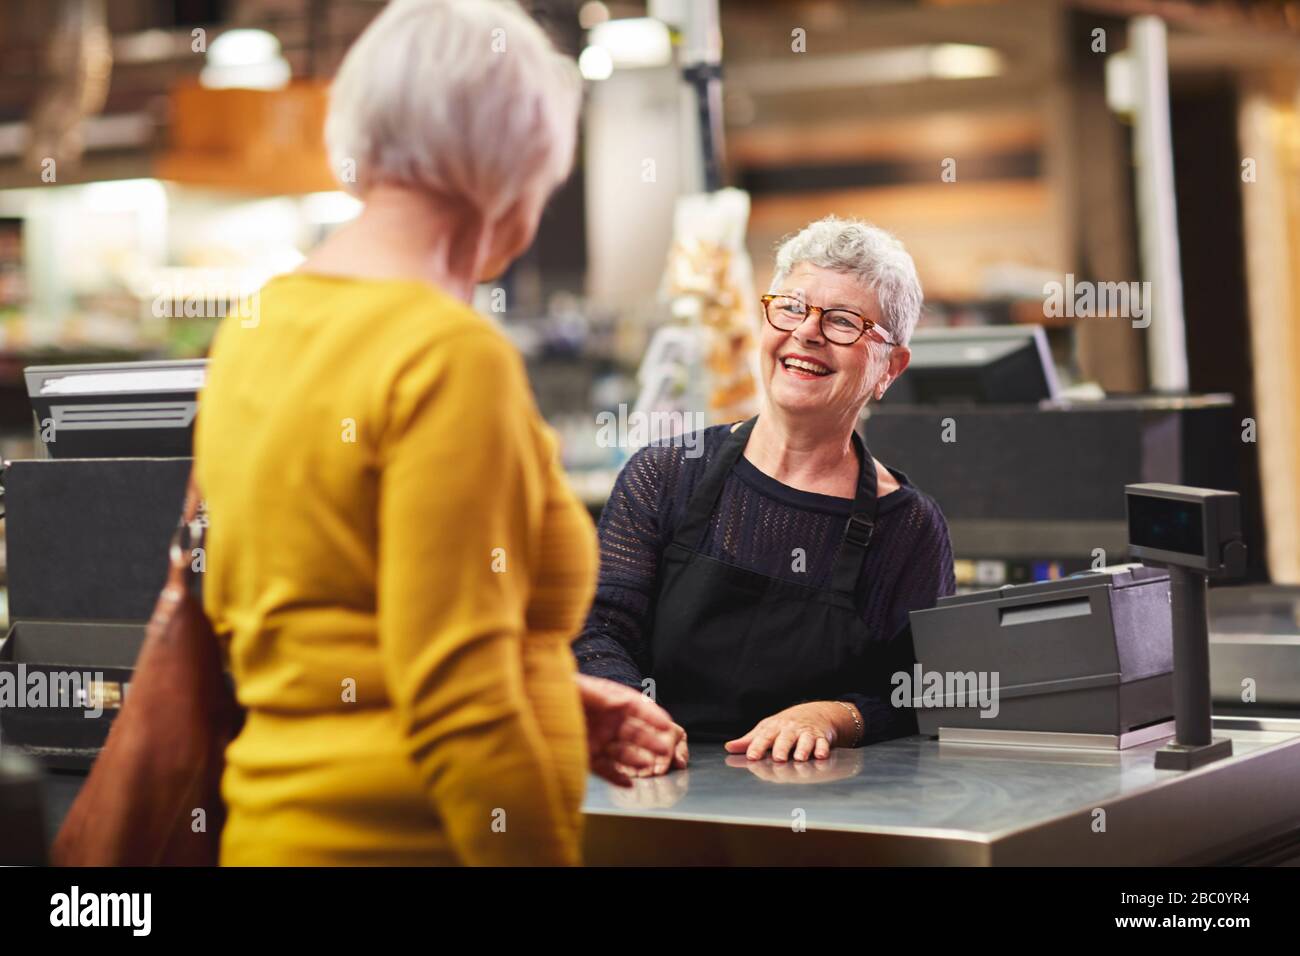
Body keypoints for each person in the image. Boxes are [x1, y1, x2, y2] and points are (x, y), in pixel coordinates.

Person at [195, 0, 673, 866]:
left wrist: (551, 698)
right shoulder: (449, 356)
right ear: (517, 165)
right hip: (407, 842)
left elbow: (324, 623)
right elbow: (459, 706)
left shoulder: (256, 325)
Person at [574, 216, 956, 767]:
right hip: (652, 786)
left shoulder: (908, 527)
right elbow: (600, 629)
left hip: (825, 813)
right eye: (793, 307)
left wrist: (831, 717)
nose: (806, 332)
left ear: (890, 367)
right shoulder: (665, 476)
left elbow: (920, 694)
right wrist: (635, 714)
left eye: (844, 321)